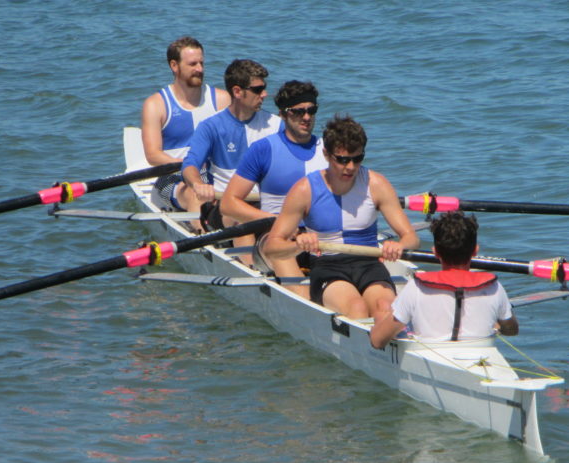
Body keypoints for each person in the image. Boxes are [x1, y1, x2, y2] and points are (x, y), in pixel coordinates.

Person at [264, 114, 420, 318]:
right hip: (328, 266)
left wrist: (400, 245)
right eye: (342, 160)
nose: (351, 167)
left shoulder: (376, 184)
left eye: (357, 159)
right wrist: (298, 246)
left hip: (369, 263)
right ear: (326, 155)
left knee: (384, 308)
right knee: (357, 308)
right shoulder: (305, 190)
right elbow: (271, 247)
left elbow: (411, 237)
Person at [220, 80, 327, 296]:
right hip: (275, 236)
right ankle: (305, 301)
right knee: (282, 249)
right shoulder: (263, 149)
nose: (306, 117)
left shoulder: (328, 149)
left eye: (311, 110)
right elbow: (229, 203)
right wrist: (277, 221)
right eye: (298, 112)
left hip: (319, 236)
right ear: (283, 114)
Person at [370, 211, 519, 349]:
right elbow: (512, 330)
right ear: (475, 251)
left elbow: (377, 341)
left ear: (435, 252)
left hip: (430, 355)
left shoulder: (416, 287)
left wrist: (381, 321)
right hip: (480, 355)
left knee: (383, 311)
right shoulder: (494, 287)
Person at [181, 58, 282, 230]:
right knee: (240, 219)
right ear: (237, 91)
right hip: (225, 206)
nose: (264, 94)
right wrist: (198, 184)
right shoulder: (210, 127)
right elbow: (190, 165)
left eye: (264, 88)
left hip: (265, 204)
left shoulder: (277, 124)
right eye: (258, 90)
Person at [141, 36, 231, 212]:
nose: (199, 69)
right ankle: (203, 236)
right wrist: (191, 166)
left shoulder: (221, 99)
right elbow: (153, 155)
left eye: (201, 63)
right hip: (173, 177)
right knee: (194, 194)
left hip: (214, 173)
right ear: (174, 66)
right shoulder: (155, 105)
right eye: (192, 64)